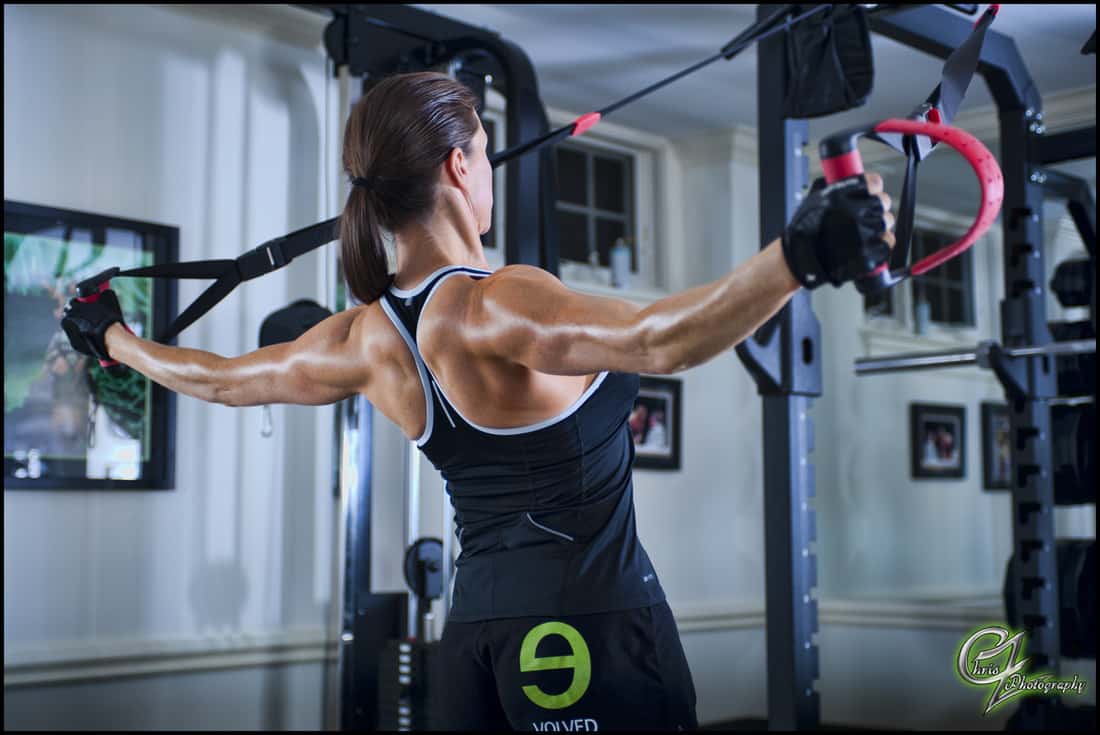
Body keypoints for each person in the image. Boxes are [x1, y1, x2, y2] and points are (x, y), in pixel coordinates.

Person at [61, 71, 894, 730]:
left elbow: (224, 380)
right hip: (588, 635)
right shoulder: (500, 300)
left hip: (474, 647)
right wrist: (796, 255)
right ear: (459, 165)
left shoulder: (361, 336)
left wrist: (113, 340)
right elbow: (658, 338)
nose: (488, 171)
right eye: (485, 153)